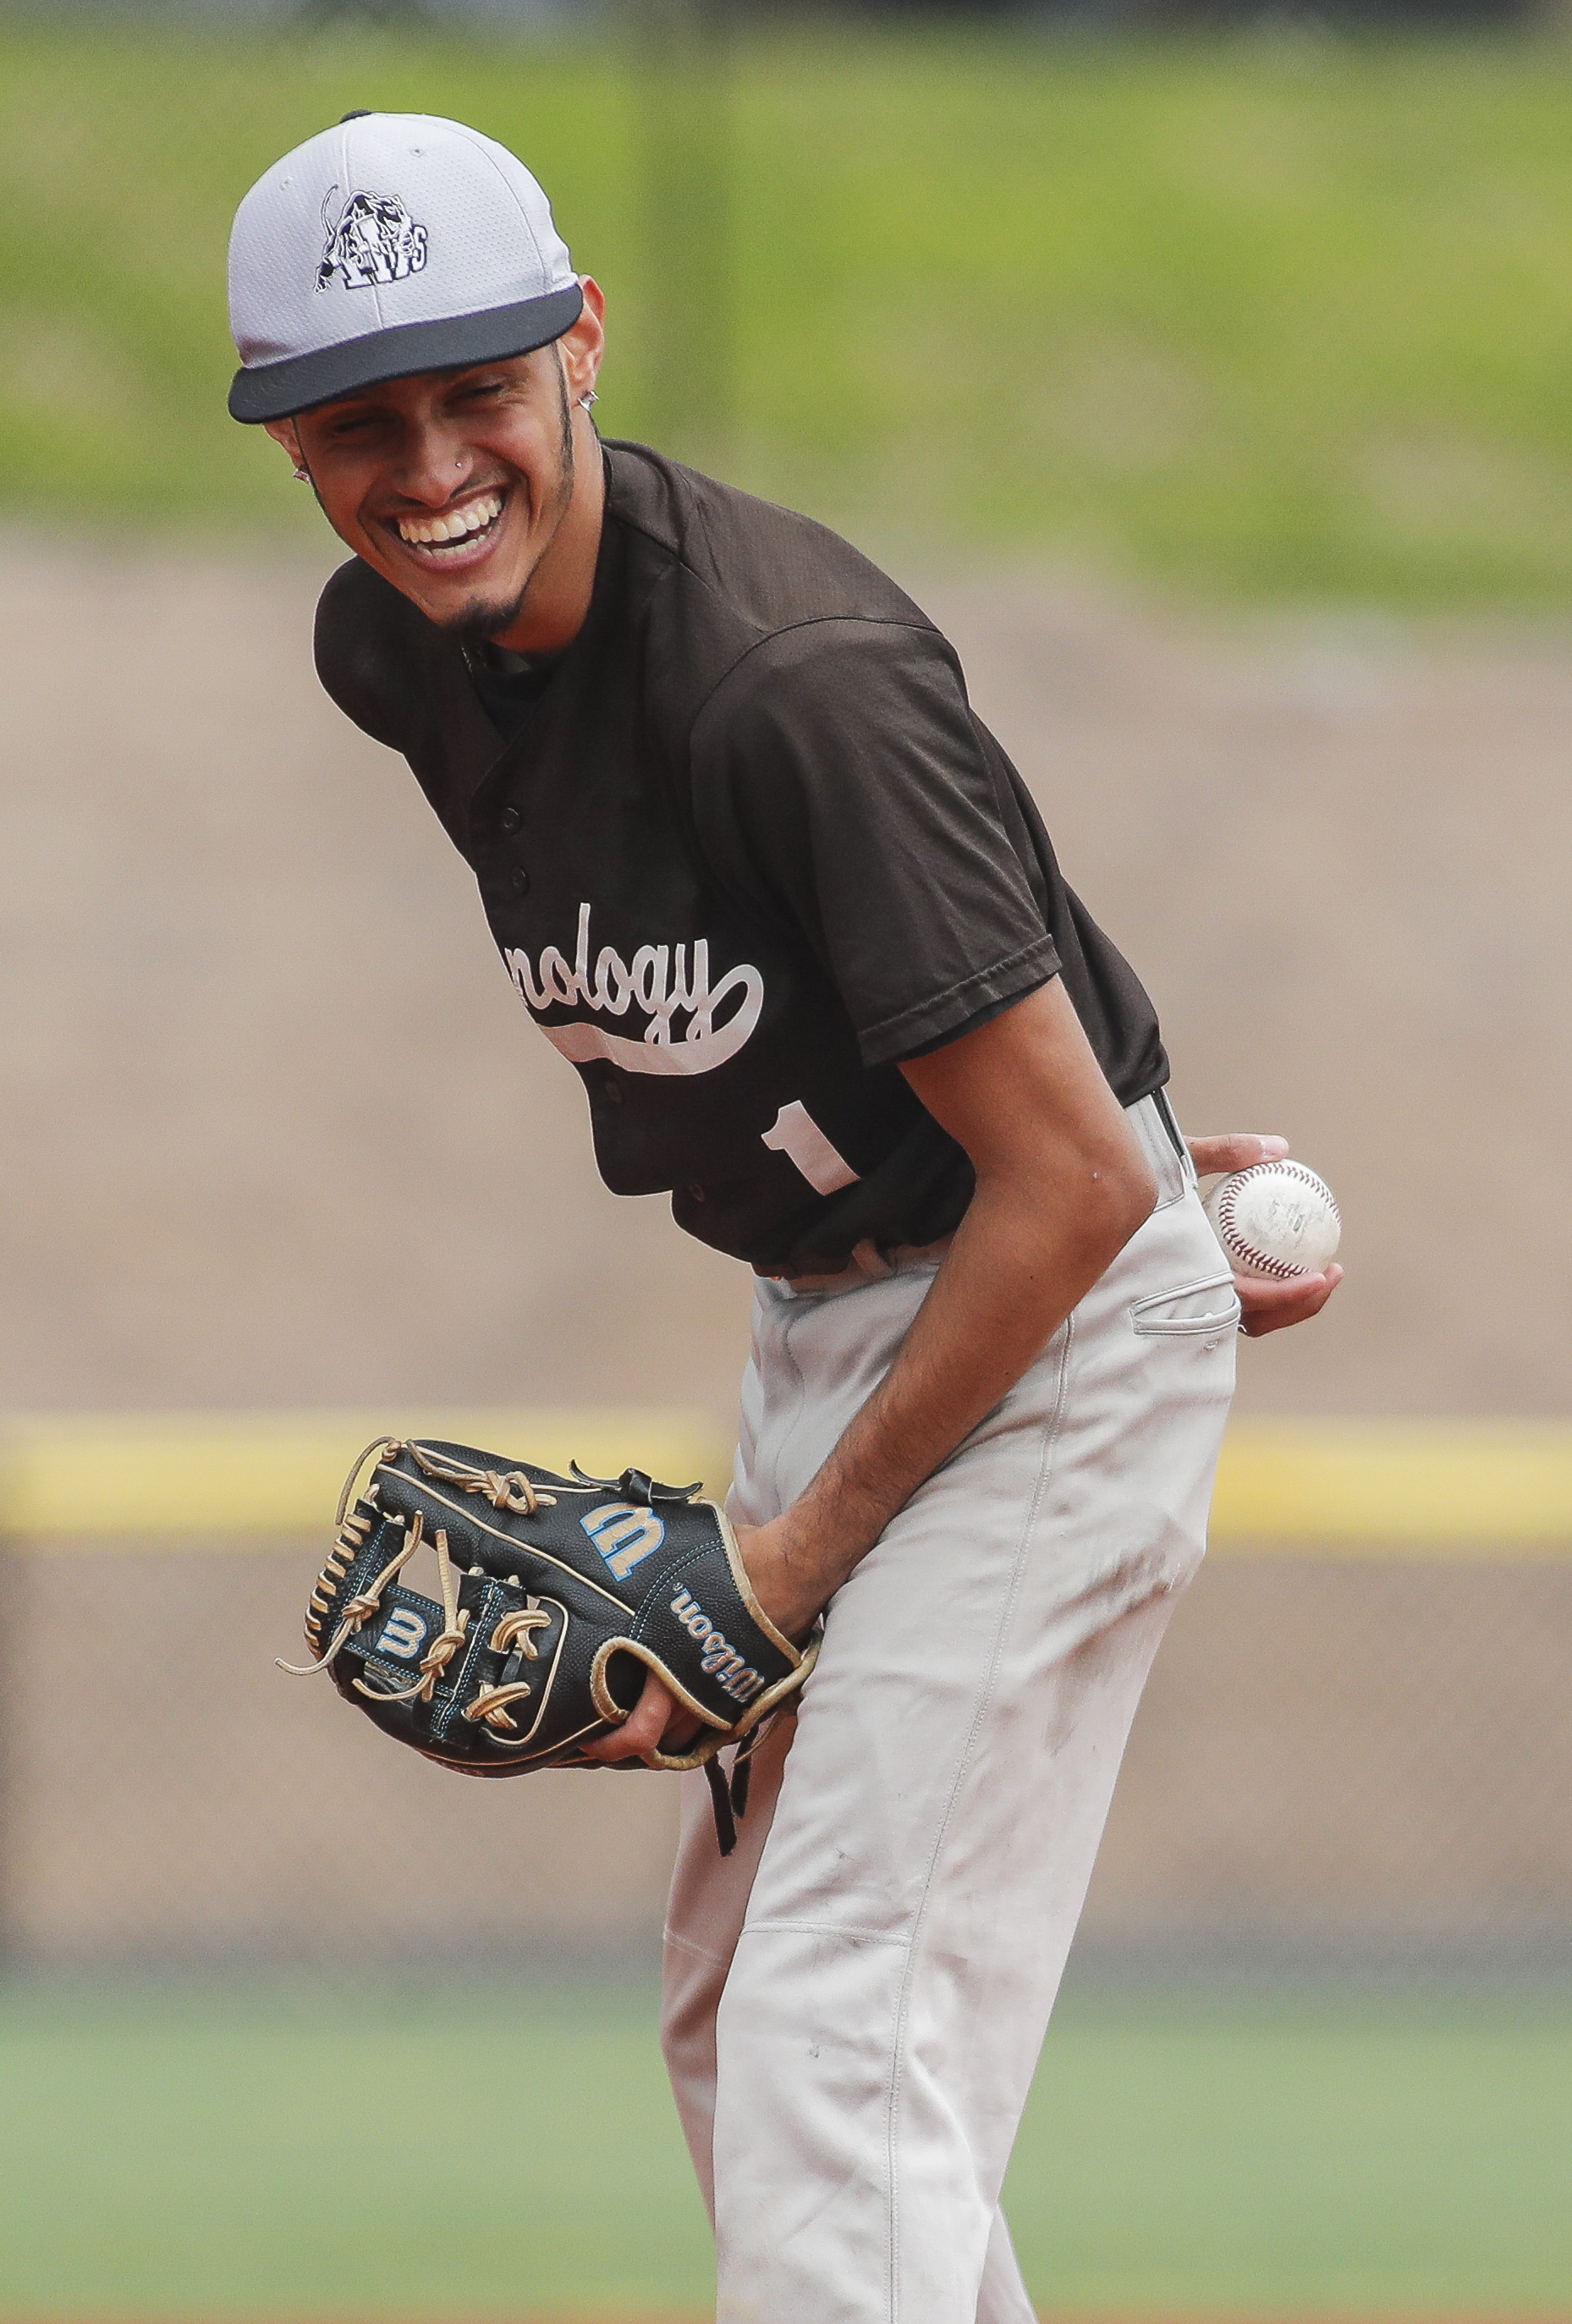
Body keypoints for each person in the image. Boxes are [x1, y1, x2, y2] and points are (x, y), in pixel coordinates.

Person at [228, 112, 1339, 2324]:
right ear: (291, 444)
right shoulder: (399, 654)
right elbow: (917, 955)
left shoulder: (777, 675)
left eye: (478, 387)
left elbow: (1053, 1173)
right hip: (861, 1303)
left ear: (583, 345)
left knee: (845, 2032)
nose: (430, 460)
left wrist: (787, 1558)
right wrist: (1104, 1106)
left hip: (1022, 1323)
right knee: (760, 2036)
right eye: (363, 417)